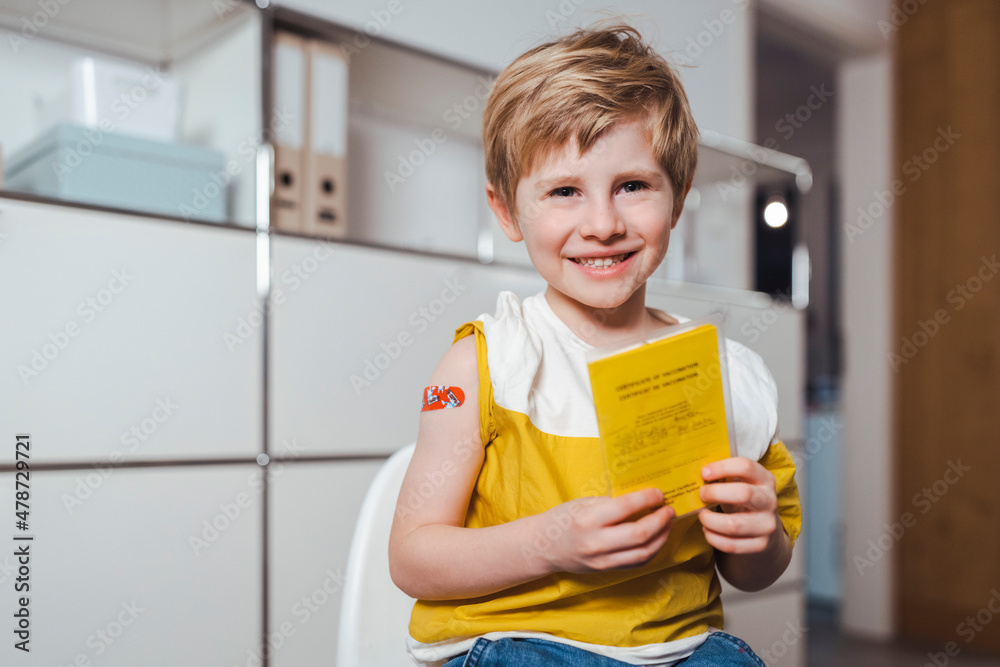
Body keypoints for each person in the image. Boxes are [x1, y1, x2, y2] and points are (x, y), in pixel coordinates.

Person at [388, 22, 801, 667]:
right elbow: (412, 556)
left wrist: (757, 537)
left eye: (633, 186)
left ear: (678, 199)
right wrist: (548, 543)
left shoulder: (726, 375)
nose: (603, 224)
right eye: (563, 192)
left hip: (683, 649)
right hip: (523, 644)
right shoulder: (483, 363)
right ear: (506, 212)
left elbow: (755, 571)